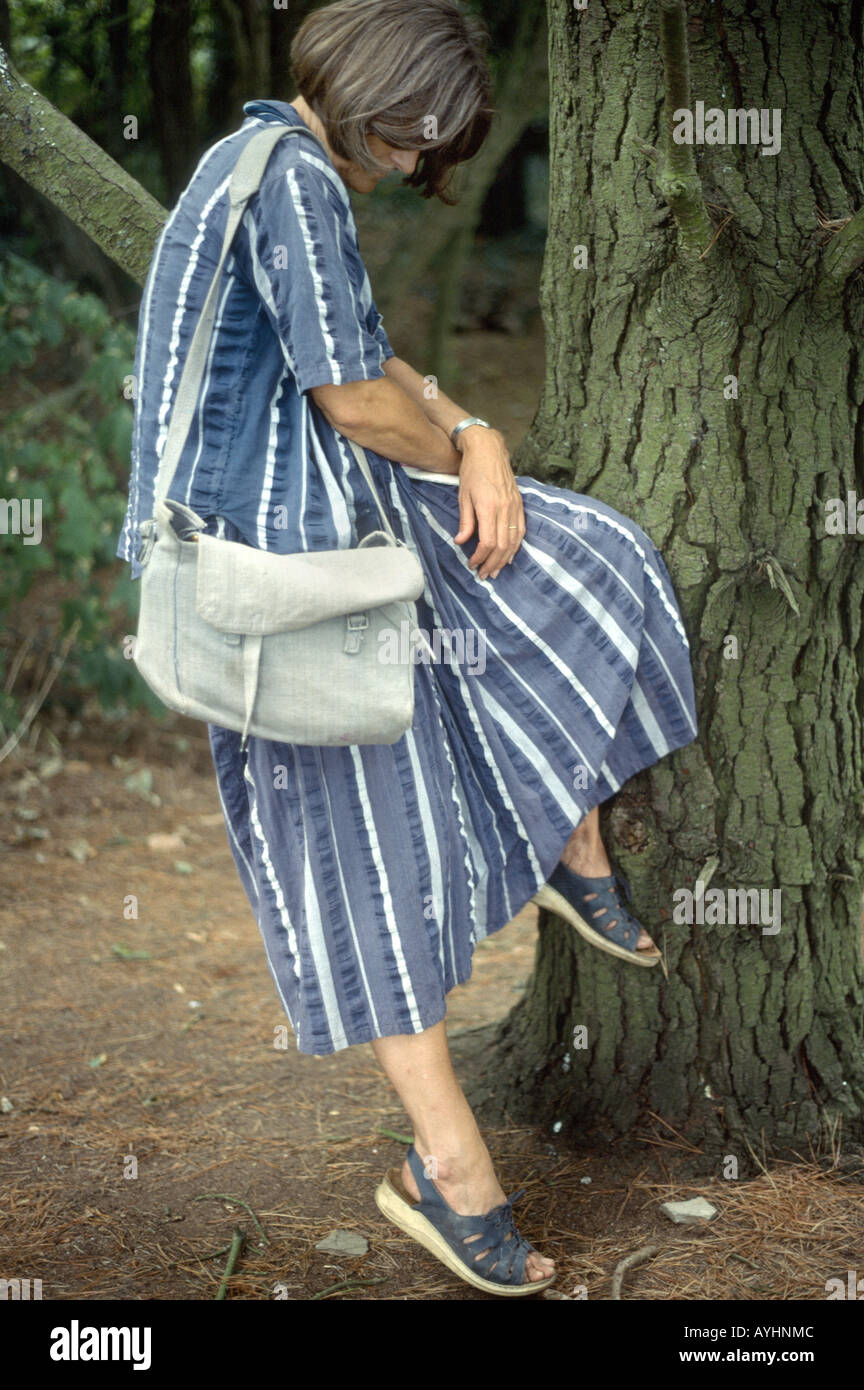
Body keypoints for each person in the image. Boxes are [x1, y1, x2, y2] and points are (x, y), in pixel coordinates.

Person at [117, 0, 699, 1296]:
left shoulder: (266, 166)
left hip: (321, 534)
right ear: (373, 90)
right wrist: (470, 446)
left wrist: (469, 426)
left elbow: (362, 360)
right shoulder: (290, 181)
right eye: (413, 135)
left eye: (435, 144)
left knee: (576, 559)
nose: (419, 162)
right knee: (364, 854)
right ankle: (451, 1167)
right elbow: (351, 400)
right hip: (280, 583)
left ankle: (568, 842)